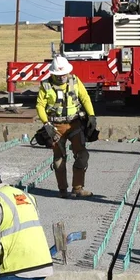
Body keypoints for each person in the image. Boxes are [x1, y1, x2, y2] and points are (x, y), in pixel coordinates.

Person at [35, 56, 97, 198]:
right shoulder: (45, 86)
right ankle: (62, 190)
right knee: (59, 160)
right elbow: (40, 105)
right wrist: (46, 124)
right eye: (59, 75)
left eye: (64, 74)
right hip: (55, 126)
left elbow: (85, 98)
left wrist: (92, 116)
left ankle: (78, 188)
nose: (62, 77)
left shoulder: (75, 81)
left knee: (82, 155)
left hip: (75, 124)